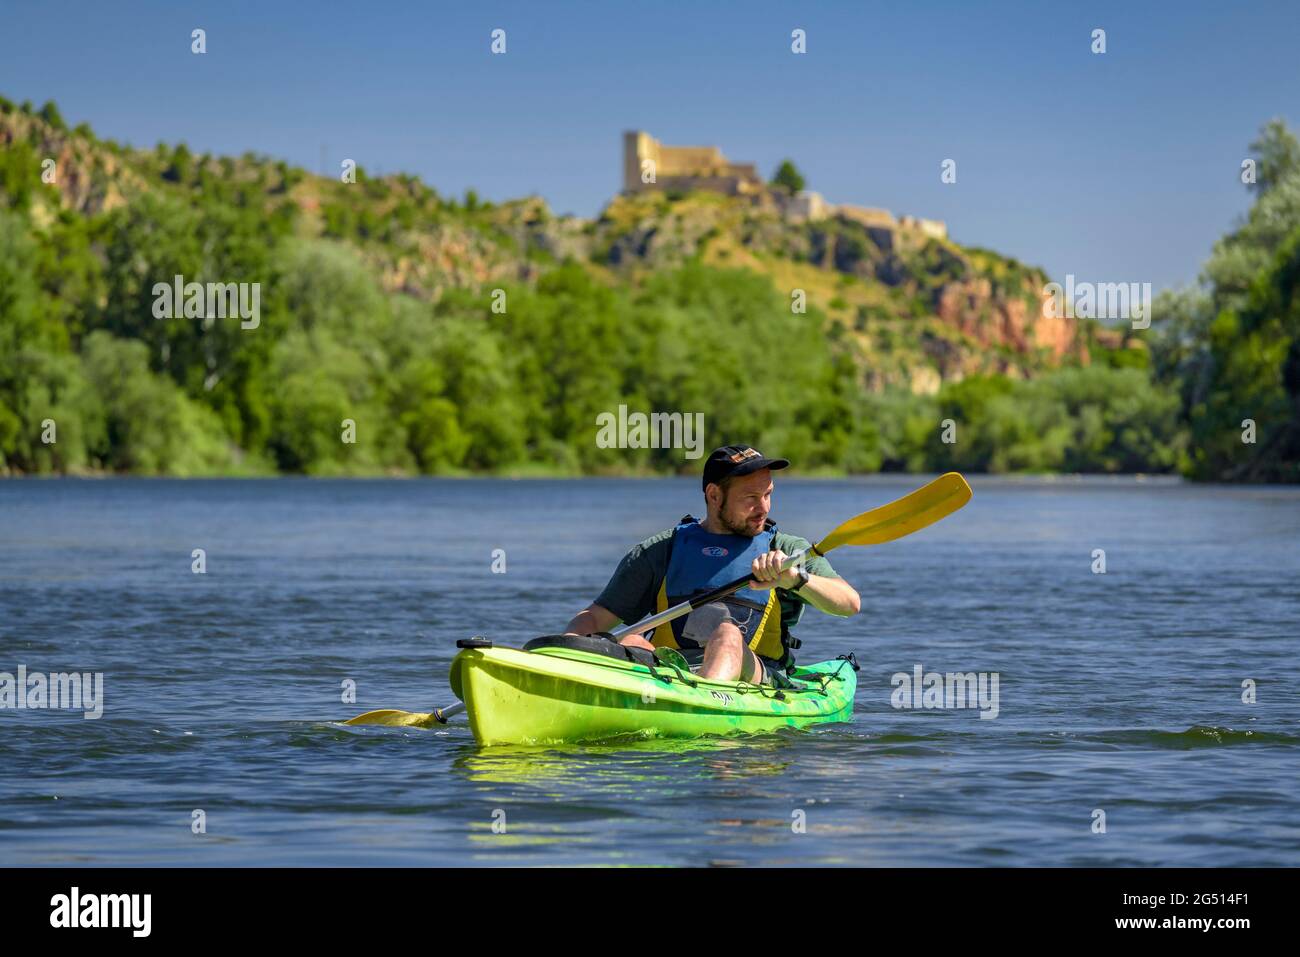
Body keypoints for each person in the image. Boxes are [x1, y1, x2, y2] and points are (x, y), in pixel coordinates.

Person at [564, 445, 861, 684]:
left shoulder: (785, 550)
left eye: (768, 495)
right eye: (751, 498)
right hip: (673, 672)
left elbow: (849, 603)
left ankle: (701, 705)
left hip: (757, 677)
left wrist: (795, 579)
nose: (764, 508)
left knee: (727, 634)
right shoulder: (660, 551)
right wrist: (564, 649)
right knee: (632, 640)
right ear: (714, 495)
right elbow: (594, 618)